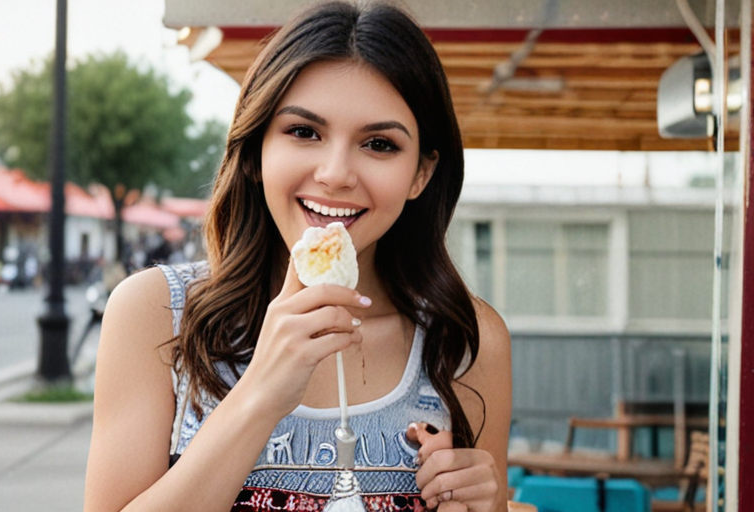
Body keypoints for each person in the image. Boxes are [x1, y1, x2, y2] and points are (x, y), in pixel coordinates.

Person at [84, 2, 512, 512]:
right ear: (255, 152)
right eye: (304, 132)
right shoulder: (156, 313)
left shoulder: (466, 339)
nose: (335, 173)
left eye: (379, 144)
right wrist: (261, 391)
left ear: (421, 173)